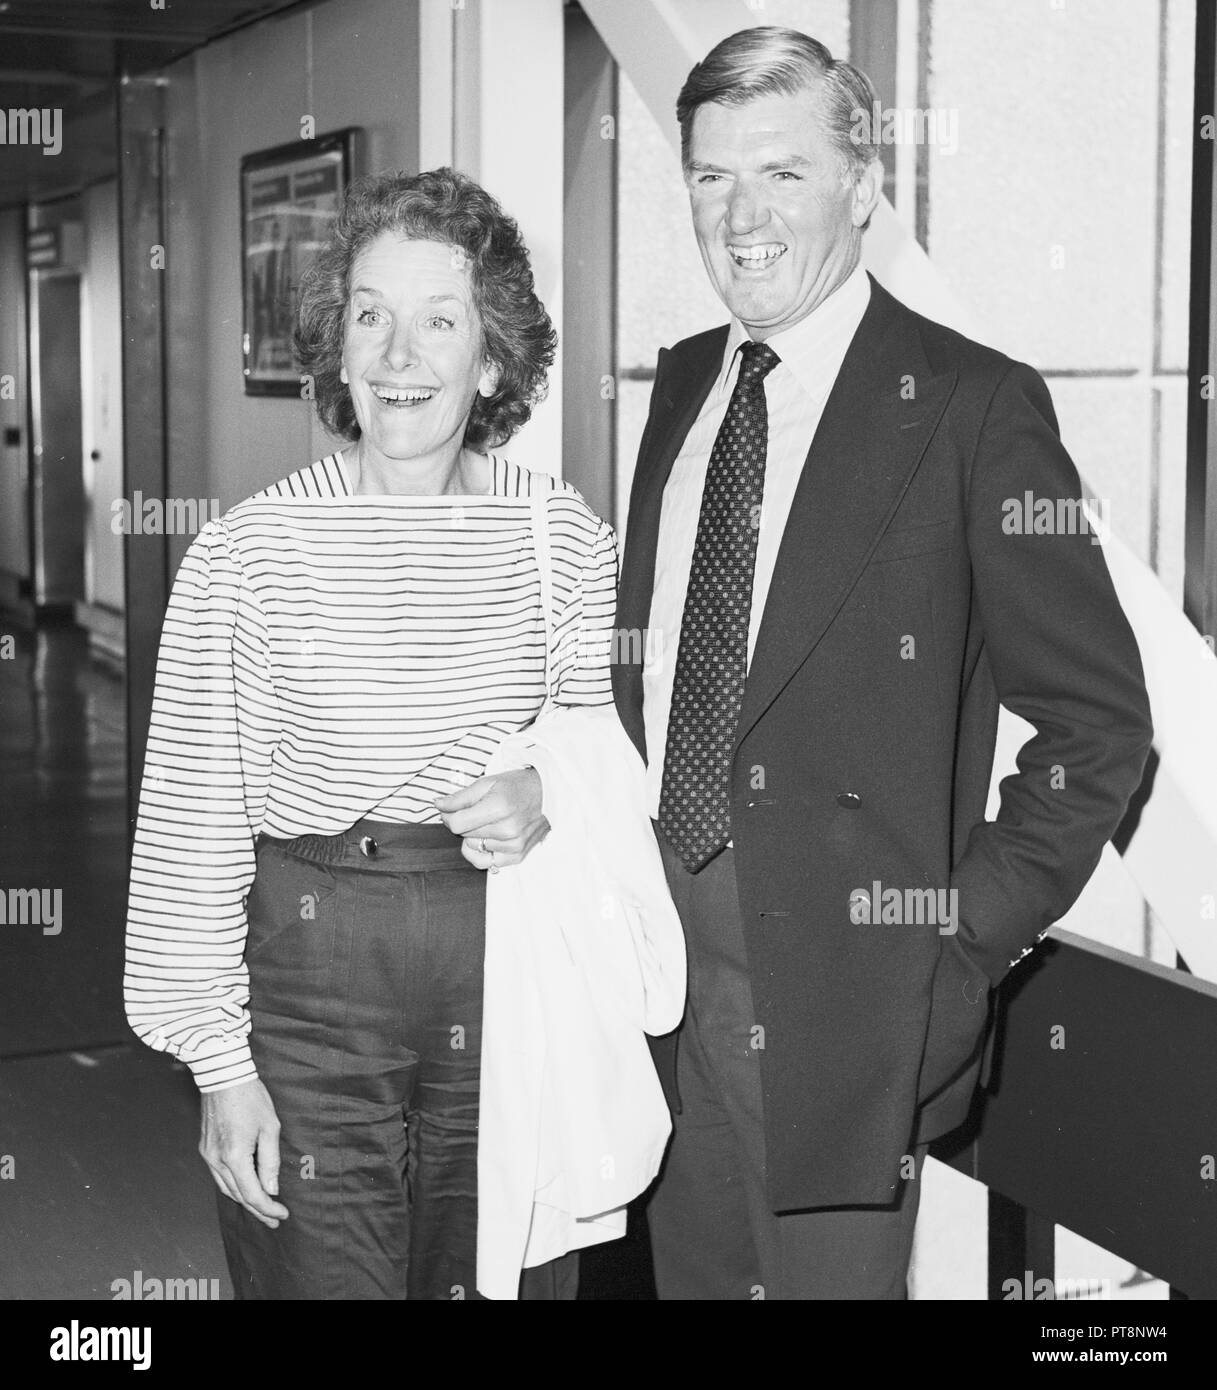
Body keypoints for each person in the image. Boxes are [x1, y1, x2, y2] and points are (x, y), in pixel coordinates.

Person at [607, 27, 1154, 1299]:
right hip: (653, 998)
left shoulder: (973, 406)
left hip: (844, 1020)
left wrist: (952, 946)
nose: (738, 215)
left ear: (859, 186)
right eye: (707, 176)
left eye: (780, 174)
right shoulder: (685, 384)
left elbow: (1097, 727)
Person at [123, 167, 620, 1300]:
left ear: (489, 358)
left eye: (437, 321)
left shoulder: (561, 538)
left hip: (511, 965)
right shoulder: (246, 556)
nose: (400, 356)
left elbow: (599, 752)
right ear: (336, 351)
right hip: (312, 975)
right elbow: (190, 824)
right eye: (370, 317)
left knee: (496, 1280)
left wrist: (543, 787)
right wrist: (220, 1064)